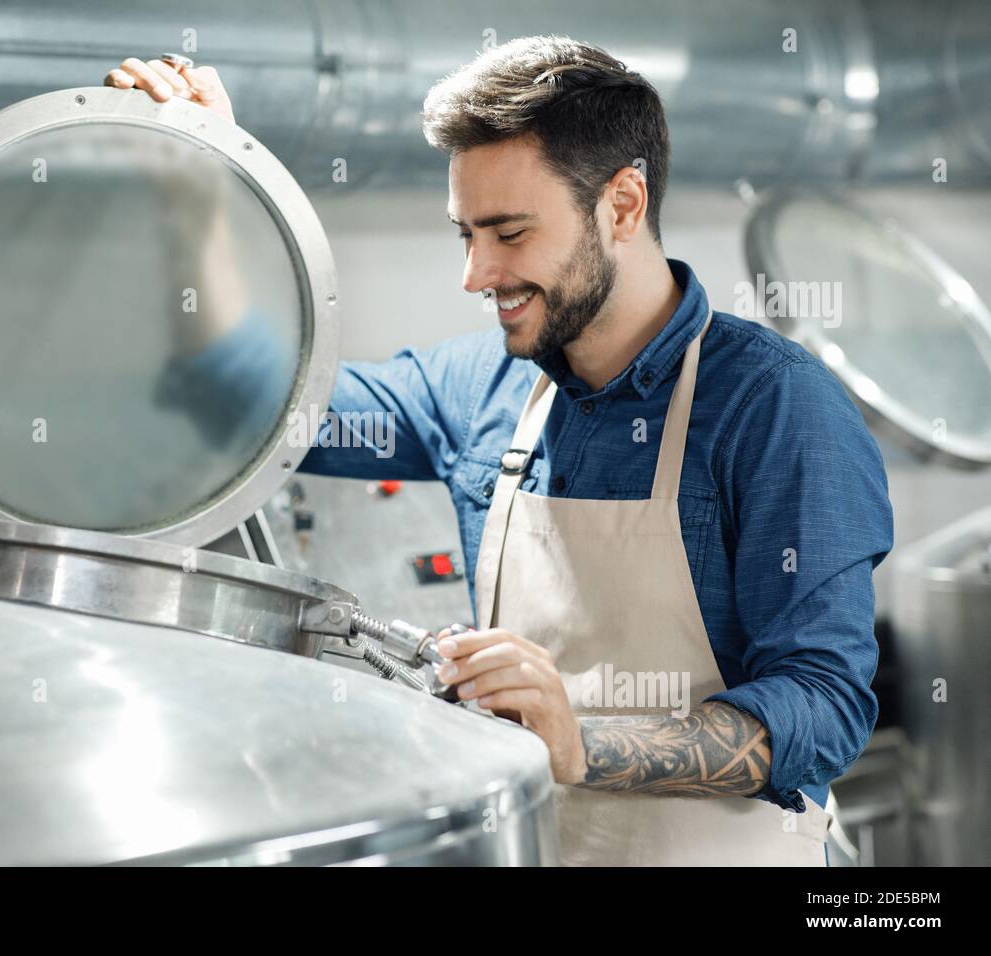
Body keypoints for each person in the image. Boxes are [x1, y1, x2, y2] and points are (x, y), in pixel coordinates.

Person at [105, 34, 893, 866]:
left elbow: (825, 704)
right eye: (466, 235)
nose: (477, 274)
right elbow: (257, 409)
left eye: (510, 234)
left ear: (623, 205)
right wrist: (207, 196)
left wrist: (583, 741)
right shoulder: (479, 388)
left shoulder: (776, 409)